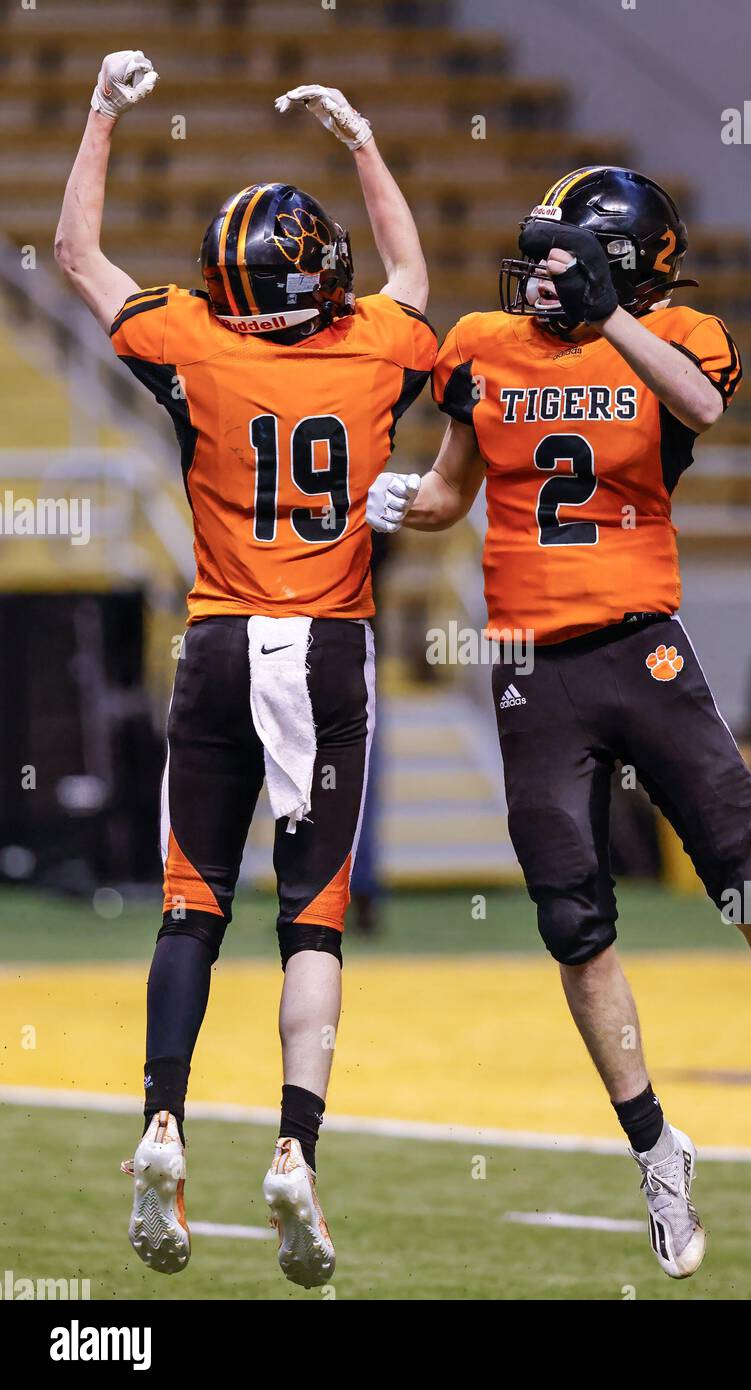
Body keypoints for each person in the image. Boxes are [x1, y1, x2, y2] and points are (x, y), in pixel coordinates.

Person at [377, 165, 751, 1279]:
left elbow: (703, 404)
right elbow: (449, 492)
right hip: (529, 667)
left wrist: (611, 312)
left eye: (570, 254)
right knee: (575, 923)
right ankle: (656, 1149)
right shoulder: (483, 346)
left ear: (622, 267)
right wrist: (397, 503)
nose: (546, 274)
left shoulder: (679, 339)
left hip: (641, 649)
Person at [55, 51, 434, 1287]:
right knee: (311, 920)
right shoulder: (377, 345)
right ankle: (294, 1146)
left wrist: (104, 112)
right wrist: (366, 140)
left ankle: (163, 1120)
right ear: (321, 276)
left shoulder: (196, 349)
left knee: (189, 903)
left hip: (218, 643)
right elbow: (416, 278)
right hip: (325, 651)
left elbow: (77, 258)